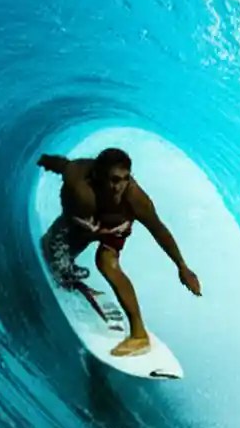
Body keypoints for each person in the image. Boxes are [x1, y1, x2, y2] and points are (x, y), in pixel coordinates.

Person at [37, 147, 201, 356]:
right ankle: (66, 271)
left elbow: (159, 230)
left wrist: (182, 266)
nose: (119, 187)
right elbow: (62, 165)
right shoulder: (78, 180)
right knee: (51, 249)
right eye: (114, 180)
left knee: (106, 262)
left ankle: (139, 336)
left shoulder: (135, 198)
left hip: (116, 225)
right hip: (81, 221)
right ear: (98, 176)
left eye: (125, 179)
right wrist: (43, 159)